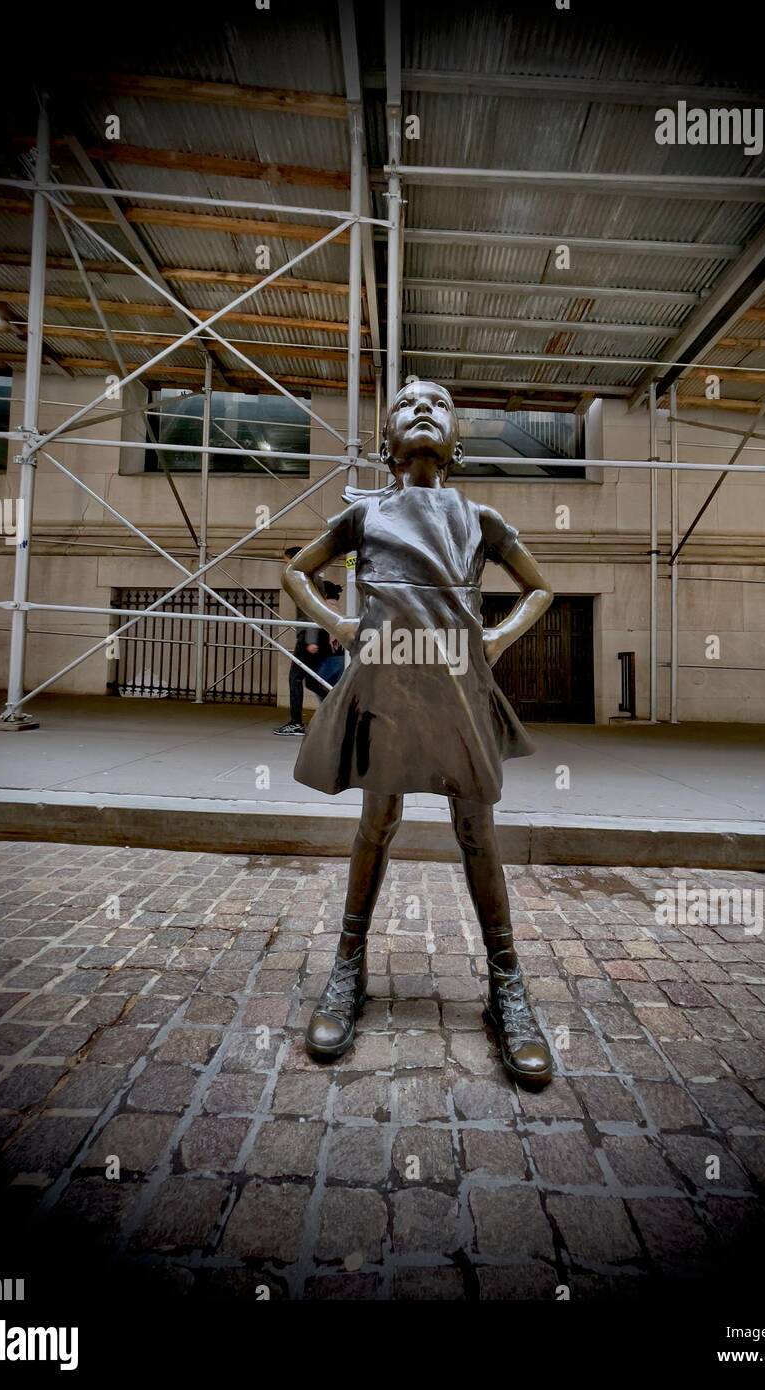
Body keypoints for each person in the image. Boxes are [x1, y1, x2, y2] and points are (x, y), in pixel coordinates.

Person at [282, 380, 555, 1086]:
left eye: (438, 403)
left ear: (457, 441)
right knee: (376, 821)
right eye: (406, 404)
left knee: (477, 829)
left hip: (458, 689)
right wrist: (341, 624)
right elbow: (296, 570)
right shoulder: (364, 518)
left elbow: (540, 587)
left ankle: (506, 986)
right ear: (385, 443)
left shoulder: (479, 518)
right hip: (386, 690)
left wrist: (494, 641)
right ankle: (348, 968)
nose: (423, 409)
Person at [273, 545, 327, 736]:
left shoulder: (305, 579)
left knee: (295, 677)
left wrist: (311, 639)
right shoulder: (313, 578)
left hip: (308, 635)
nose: (285, 564)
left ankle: (296, 722)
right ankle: (339, 710)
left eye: (286, 559)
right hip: (314, 633)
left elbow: (312, 610)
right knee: (312, 681)